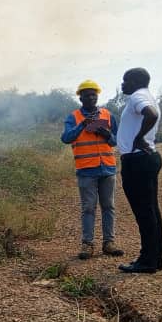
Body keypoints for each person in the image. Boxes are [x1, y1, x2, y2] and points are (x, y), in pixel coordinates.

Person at [60, 81, 124, 260]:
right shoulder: (73, 117)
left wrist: (107, 135)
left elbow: (116, 140)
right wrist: (82, 125)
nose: (90, 98)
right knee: (88, 207)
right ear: (80, 97)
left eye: (93, 95)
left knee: (108, 206)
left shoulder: (108, 115)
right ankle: (87, 244)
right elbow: (66, 138)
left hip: (107, 168)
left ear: (97, 96)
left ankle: (109, 243)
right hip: (86, 169)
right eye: (87, 95)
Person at [117, 68, 162, 273]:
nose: (122, 84)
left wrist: (138, 137)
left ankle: (147, 260)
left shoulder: (138, 96)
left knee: (144, 212)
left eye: (125, 80)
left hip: (137, 160)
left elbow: (150, 115)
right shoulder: (148, 96)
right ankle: (155, 258)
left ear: (135, 81)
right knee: (151, 210)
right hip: (146, 158)